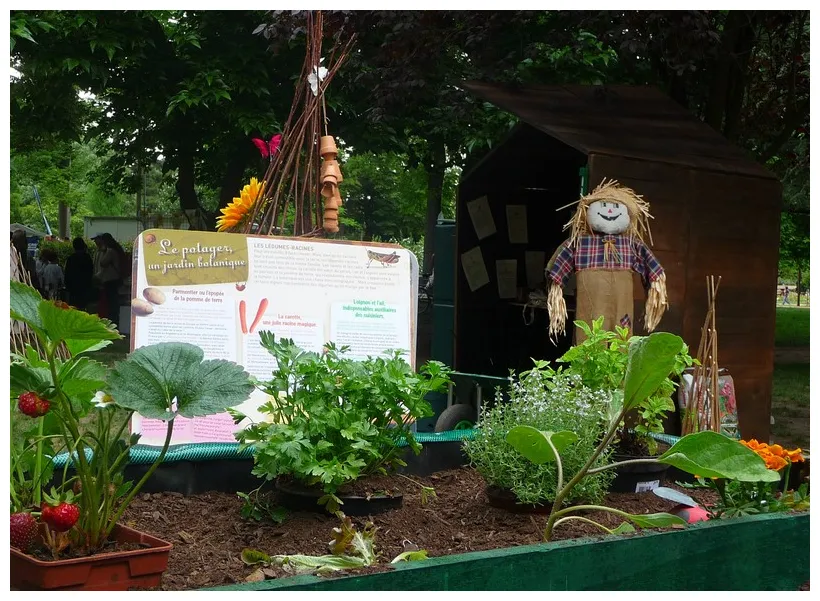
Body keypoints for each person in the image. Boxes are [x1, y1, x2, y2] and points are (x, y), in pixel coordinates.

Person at [94, 233, 125, 329]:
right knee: (113, 303)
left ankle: (113, 323)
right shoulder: (117, 249)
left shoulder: (110, 251)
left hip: (110, 280)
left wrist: (104, 251)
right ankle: (114, 322)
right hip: (115, 279)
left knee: (111, 304)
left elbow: (103, 262)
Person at [64, 237, 94, 310]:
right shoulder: (87, 258)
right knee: (83, 307)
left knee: (74, 308)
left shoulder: (71, 258)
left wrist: (67, 286)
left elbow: (67, 273)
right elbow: (91, 272)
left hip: (73, 288)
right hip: (85, 287)